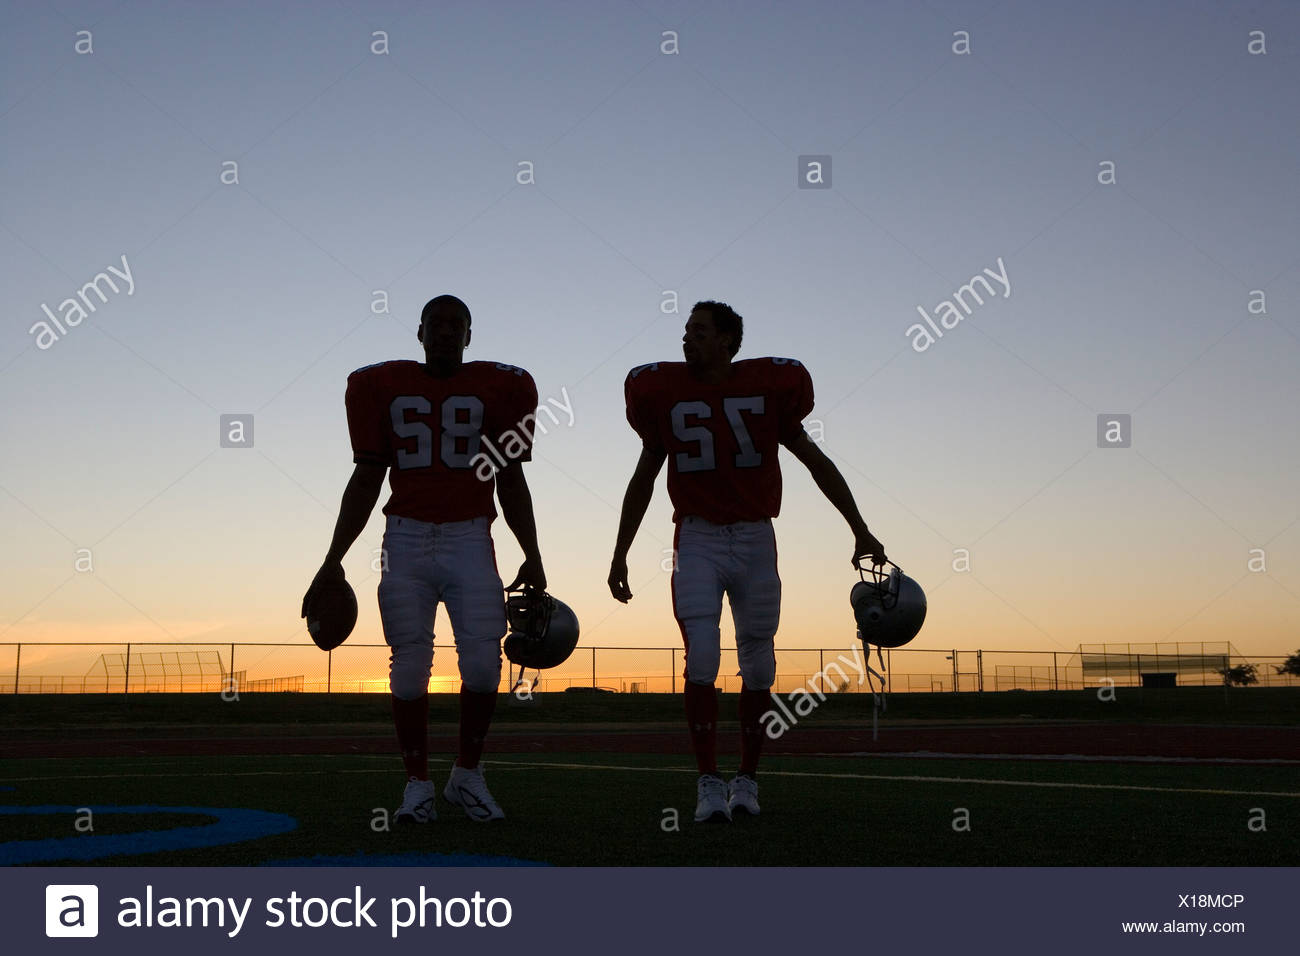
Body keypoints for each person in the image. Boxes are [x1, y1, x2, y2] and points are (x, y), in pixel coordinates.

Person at [608, 300, 887, 822]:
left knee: (759, 662)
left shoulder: (765, 388)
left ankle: (747, 780)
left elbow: (816, 463)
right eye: (686, 330)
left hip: (757, 537)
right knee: (703, 661)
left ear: (729, 342)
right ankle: (708, 781)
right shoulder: (664, 392)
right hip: (696, 538)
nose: (687, 339)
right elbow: (643, 477)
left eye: (699, 331)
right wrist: (621, 550)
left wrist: (860, 528)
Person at [303, 294, 546, 823]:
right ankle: (417, 783)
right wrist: (332, 559)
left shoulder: (500, 387)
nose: (444, 332)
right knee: (409, 667)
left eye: (454, 325)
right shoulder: (381, 386)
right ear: (418, 333)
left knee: (484, 663)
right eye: (435, 324)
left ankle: (467, 774)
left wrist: (533, 552)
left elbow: (511, 478)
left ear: (468, 336)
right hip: (405, 539)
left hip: (471, 537)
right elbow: (366, 477)